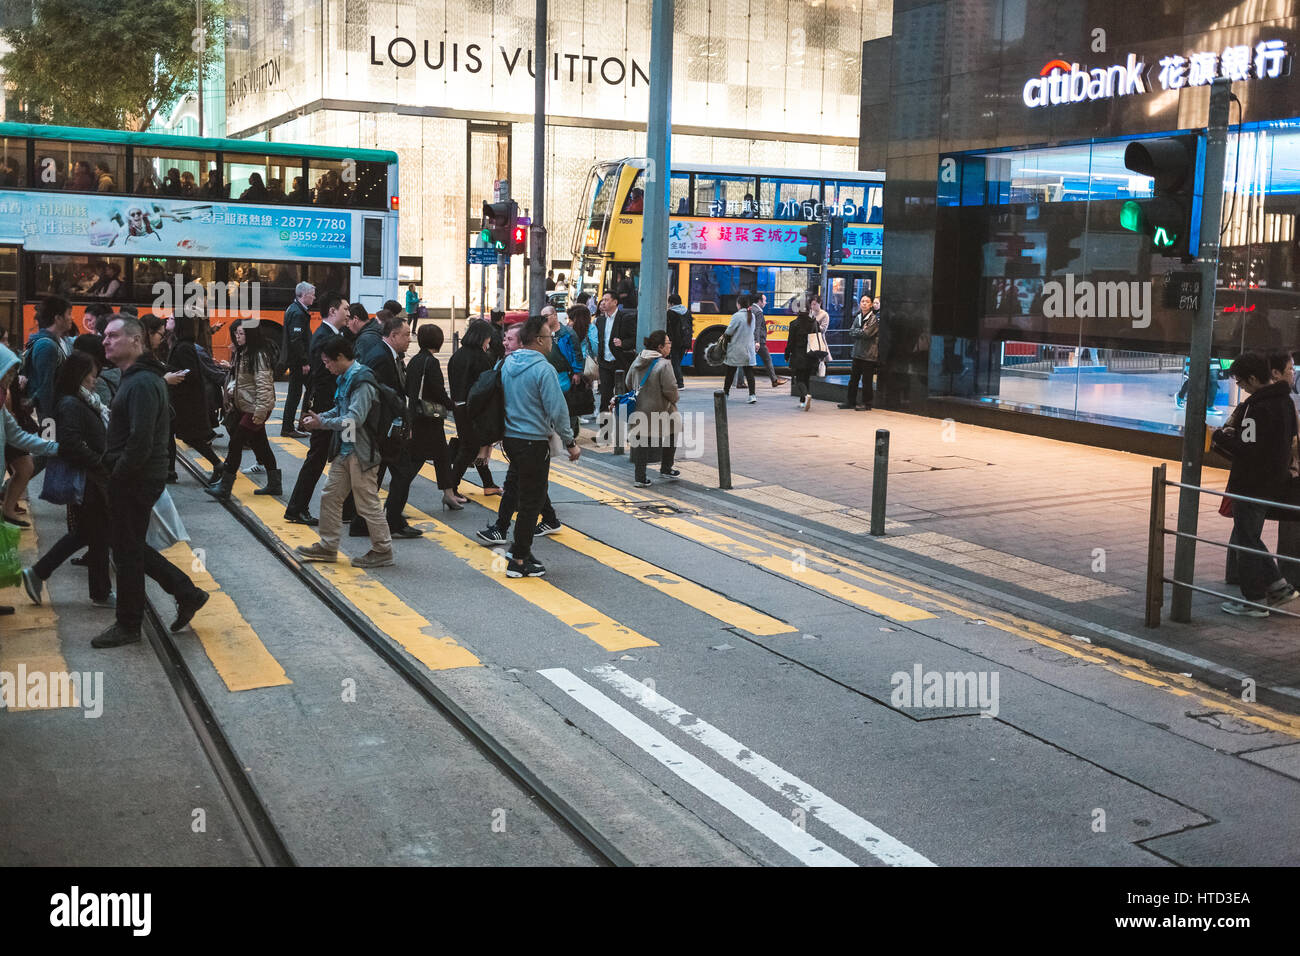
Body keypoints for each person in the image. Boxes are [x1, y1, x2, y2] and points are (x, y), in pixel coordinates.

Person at [94, 316, 209, 647]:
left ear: (135, 341)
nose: (106, 341)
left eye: (113, 336)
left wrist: (116, 477)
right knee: (129, 547)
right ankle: (187, 592)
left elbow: (140, 441)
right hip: (135, 476)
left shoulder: (143, 382)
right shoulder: (138, 378)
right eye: (104, 336)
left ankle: (129, 625)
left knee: (127, 553)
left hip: (134, 479)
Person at [1211, 351, 1300, 617]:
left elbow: (1247, 449)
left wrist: (1221, 437)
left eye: (1240, 382)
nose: (1240, 387)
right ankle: (1278, 586)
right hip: (1272, 482)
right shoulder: (1285, 402)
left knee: (1246, 542)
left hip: (1250, 483)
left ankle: (1255, 600)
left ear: (1252, 378)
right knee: (1249, 536)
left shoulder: (1256, 406)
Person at [21, 351, 113, 609]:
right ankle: (98, 591)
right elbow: (71, 443)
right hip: (90, 479)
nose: (95, 380)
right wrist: (99, 463)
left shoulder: (82, 400)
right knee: (97, 534)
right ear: (79, 376)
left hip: (93, 476)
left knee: (89, 533)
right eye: (91, 375)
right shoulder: (71, 404)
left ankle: (41, 573)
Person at [294, 337, 394, 568]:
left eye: (328, 362)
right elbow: (340, 408)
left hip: (361, 451)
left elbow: (354, 419)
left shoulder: (362, 381)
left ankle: (383, 550)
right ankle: (328, 546)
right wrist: (321, 417)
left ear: (340, 358)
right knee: (330, 495)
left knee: (367, 503)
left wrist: (322, 424)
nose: (326, 367)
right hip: (345, 449)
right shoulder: (344, 378)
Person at [495, 316, 580, 578]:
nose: (552, 342)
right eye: (549, 338)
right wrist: (570, 442)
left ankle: (520, 550)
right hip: (533, 441)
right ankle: (518, 560)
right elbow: (558, 409)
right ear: (540, 341)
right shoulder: (544, 370)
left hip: (511, 438)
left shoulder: (508, 363)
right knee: (531, 501)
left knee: (522, 492)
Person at [284, 293, 350, 525]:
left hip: (328, 407)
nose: (348, 314)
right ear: (333, 311)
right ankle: (296, 508)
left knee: (337, 456)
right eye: (345, 309)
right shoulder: (324, 337)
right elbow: (322, 378)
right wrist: (326, 413)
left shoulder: (329, 334)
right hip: (326, 407)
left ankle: (347, 509)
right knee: (318, 457)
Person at [363, 312, 422, 539]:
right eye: (406, 335)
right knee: (402, 473)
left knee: (376, 476)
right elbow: (379, 395)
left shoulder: (389, 354)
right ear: (394, 335)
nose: (410, 339)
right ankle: (393, 520)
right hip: (385, 429)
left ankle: (363, 521)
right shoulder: (380, 357)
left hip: (387, 429)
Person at [206, 320, 278, 500]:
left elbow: (264, 385)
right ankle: (275, 484)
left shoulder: (259, 355)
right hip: (247, 406)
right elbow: (246, 381)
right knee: (261, 445)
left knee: (236, 443)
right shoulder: (244, 352)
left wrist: (260, 412)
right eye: (236, 333)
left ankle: (225, 488)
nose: (237, 337)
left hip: (256, 408)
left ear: (251, 334)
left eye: (241, 333)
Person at [405, 324, 462, 510]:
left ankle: (449, 494)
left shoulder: (414, 360)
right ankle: (395, 501)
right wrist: (451, 404)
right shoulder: (431, 362)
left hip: (420, 416)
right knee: (416, 459)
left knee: (442, 456)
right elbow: (437, 390)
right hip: (428, 418)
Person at [447, 319, 503, 498]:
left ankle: (488, 483)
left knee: (473, 444)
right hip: (474, 409)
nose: (489, 342)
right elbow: (484, 388)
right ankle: (452, 487)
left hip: (458, 406)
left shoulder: (458, 355)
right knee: (470, 448)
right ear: (483, 338)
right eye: (488, 338)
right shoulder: (480, 358)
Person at [166, 314, 224, 482]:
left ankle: (217, 465)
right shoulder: (180, 344)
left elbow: (193, 374)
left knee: (189, 436)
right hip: (181, 399)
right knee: (174, 435)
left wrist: (171, 372)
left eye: (172, 319)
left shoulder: (184, 347)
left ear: (180, 325)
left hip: (185, 401)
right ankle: (170, 471)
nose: (168, 320)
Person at [625, 330, 681, 487]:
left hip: (639, 407)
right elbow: (671, 389)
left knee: (642, 441)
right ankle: (666, 467)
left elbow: (628, 381)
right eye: (668, 343)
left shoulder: (638, 359)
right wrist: (674, 400)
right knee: (672, 430)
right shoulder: (664, 364)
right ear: (660, 347)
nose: (670, 346)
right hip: (662, 409)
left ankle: (640, 478)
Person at [26, 295, 73, 428]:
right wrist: (49, 425)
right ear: (57, 318)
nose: (72, 318)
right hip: (48, 416)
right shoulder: (47, 346)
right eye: (69, 314)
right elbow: (45, 387)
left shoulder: (54, 342)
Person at [280, 282, 315, 438]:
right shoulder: (298, 313)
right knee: (301, 391)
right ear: (304, 295)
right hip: (298, 361)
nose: (314, 297)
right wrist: (304, 361)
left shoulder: (294, 309)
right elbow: (296, 339)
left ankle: (297, 424)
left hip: (295, 360)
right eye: (312, 294)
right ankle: (298, 424)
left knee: (297, 392)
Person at [593, 291, 636, 417]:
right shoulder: (600, 321)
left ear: (615, 302)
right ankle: (604, 433)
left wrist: (623, 343)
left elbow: (634, 339)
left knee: (622, 396)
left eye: (606, 300)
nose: (603, 302)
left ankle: (623, 428)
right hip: (605, 363)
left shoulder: (625, 318)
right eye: (602, 300)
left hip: (620, 363)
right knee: (605, 396)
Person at [556, 303, 594, 438]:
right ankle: (574, 422)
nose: (568, 322)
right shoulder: (590, 329)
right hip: (583, 365)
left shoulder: (567, 331)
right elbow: (595, 346)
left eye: (570, 319)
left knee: (570, 396)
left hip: (572, 367)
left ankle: (572, 425)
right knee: (577, 394)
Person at [840, 295, 880, 410]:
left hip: (869, 355)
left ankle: (867, 404)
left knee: (867, 381)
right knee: (853, 380)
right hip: (857, 353)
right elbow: (851, 332)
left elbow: (867, 334)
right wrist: (860, 331)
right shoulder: (858, 317)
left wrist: (860, 332)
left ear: (871, 304)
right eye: (862, 301)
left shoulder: (873, 319)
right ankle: (850, 401)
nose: (864, 303)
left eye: (867, 302)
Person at [722, 293, 758, 404]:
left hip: (737, 349)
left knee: (730, 372)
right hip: (748, 349)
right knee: (749, 373)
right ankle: (752, 395)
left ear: (738, 304)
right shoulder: (752, 316)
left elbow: (729, 331)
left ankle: (726, 394)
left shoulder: (737, 316)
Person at [750, 293, 788, 389]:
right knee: (767, 359)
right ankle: (774, 380)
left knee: (745, 361)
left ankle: (739, 382)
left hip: (751, 339)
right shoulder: (758, 312)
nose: (766, 302)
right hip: (759, 342)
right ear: (759, 301)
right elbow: (757, 328)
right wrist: (757, 341)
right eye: (764, 300)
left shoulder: (751, 309)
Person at [786, 308, 817, 410]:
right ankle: (802, 401)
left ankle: (806, 395)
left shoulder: (794, 324)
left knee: (799, 379)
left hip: (798, 355)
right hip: (811, 355)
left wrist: (787, 354)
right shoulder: (814, 323)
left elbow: (790, 342)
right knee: (806, 378)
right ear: (809, 310)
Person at [665, 294, 691, 388]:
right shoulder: (686, 311)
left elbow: (669, 329)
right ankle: (676, 381)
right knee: (678, 362)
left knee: (675, 362)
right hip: (685, 341)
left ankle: (680, 383)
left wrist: (669, 341)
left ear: (672, 303)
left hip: (675, 341)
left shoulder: (670, 313)